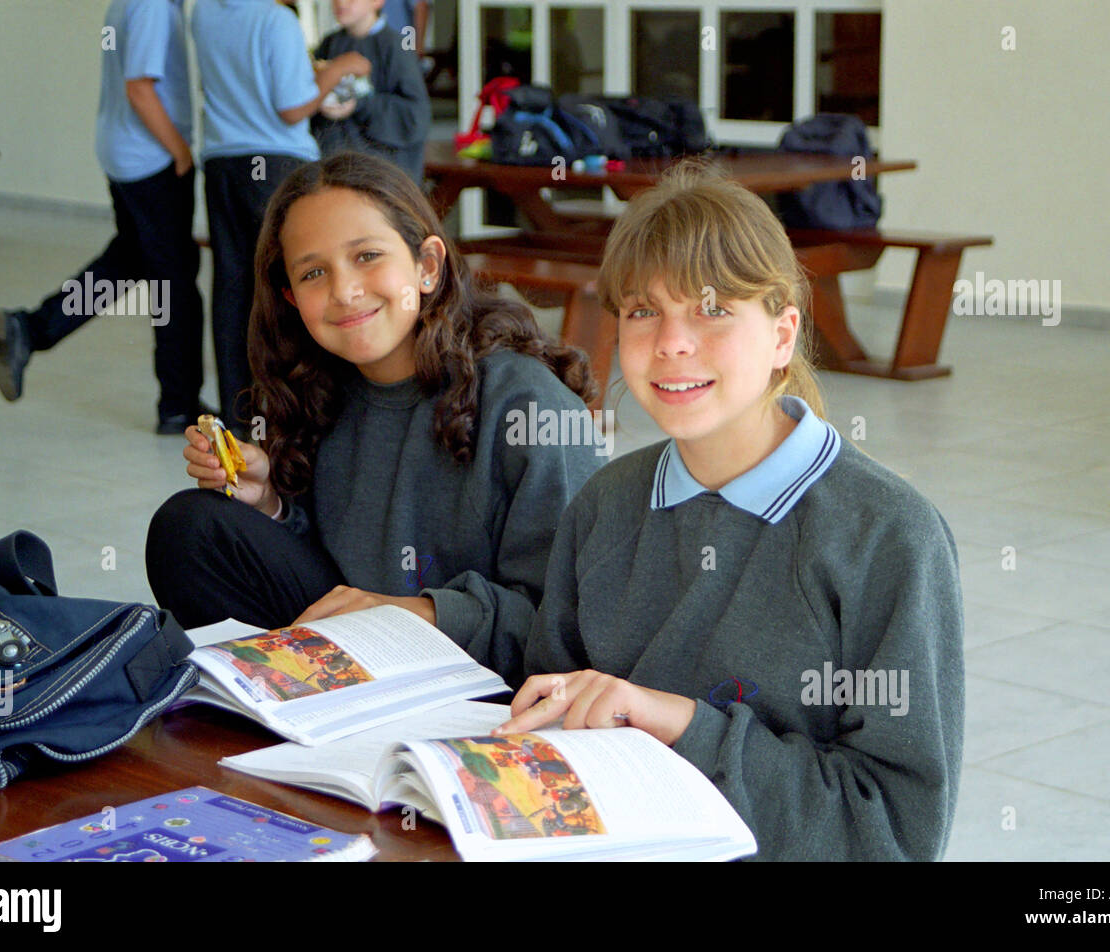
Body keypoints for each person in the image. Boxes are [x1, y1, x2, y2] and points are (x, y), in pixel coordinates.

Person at [494, 162, 965, 861]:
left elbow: (892, 833)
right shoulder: (603, 504)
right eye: (643, 311)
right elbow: (557, 732)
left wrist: (684, 726)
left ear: (782, 335)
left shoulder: (889, 537)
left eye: (712, 309)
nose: (672, 342)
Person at [146, 151, 606, 683]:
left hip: (479, 683)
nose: (344, 291)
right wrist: (269, 503)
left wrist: (414, 614)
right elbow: (330, 575)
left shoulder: (527, 404)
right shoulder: (321, 387)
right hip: (355, 662)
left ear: (427, 266)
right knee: (191, 529)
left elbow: (573, 624)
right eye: (314, 272)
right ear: (292, 298)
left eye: (367, 255)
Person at [0, 0, 205, 434]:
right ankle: (178, 407)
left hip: (124, 152)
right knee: (175, 283)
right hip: (151, 160)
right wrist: (180, 151)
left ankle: (30, 329)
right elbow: (139, 88)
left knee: (131, 259)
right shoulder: (153, 7)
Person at [190, 0, 354, 434]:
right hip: (276, 167)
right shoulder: (276, 20)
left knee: (232, 286)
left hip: (223, 163)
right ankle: (294, 410)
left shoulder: (204, 12)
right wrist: (338, 70)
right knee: (294, 284)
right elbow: (293, 107)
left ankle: (237, 417)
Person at [311, 0, 430, 185]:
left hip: (380, 176)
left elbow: (415, 117)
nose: (341, 3)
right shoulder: (329, 44)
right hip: (333, 169)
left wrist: (359, 105)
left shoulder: (396, 47)